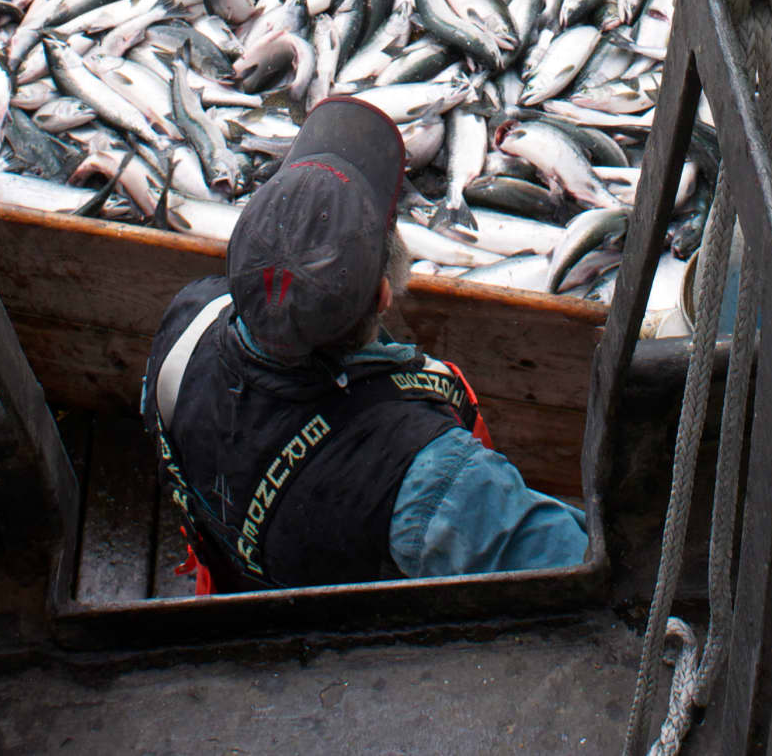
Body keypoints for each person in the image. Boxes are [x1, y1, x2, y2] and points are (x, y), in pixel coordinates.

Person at [142, 97, 588, 590]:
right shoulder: (431, 478)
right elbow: (587, 581)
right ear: (381, 294)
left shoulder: (189, 317)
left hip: (239, 602)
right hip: (357, 660)